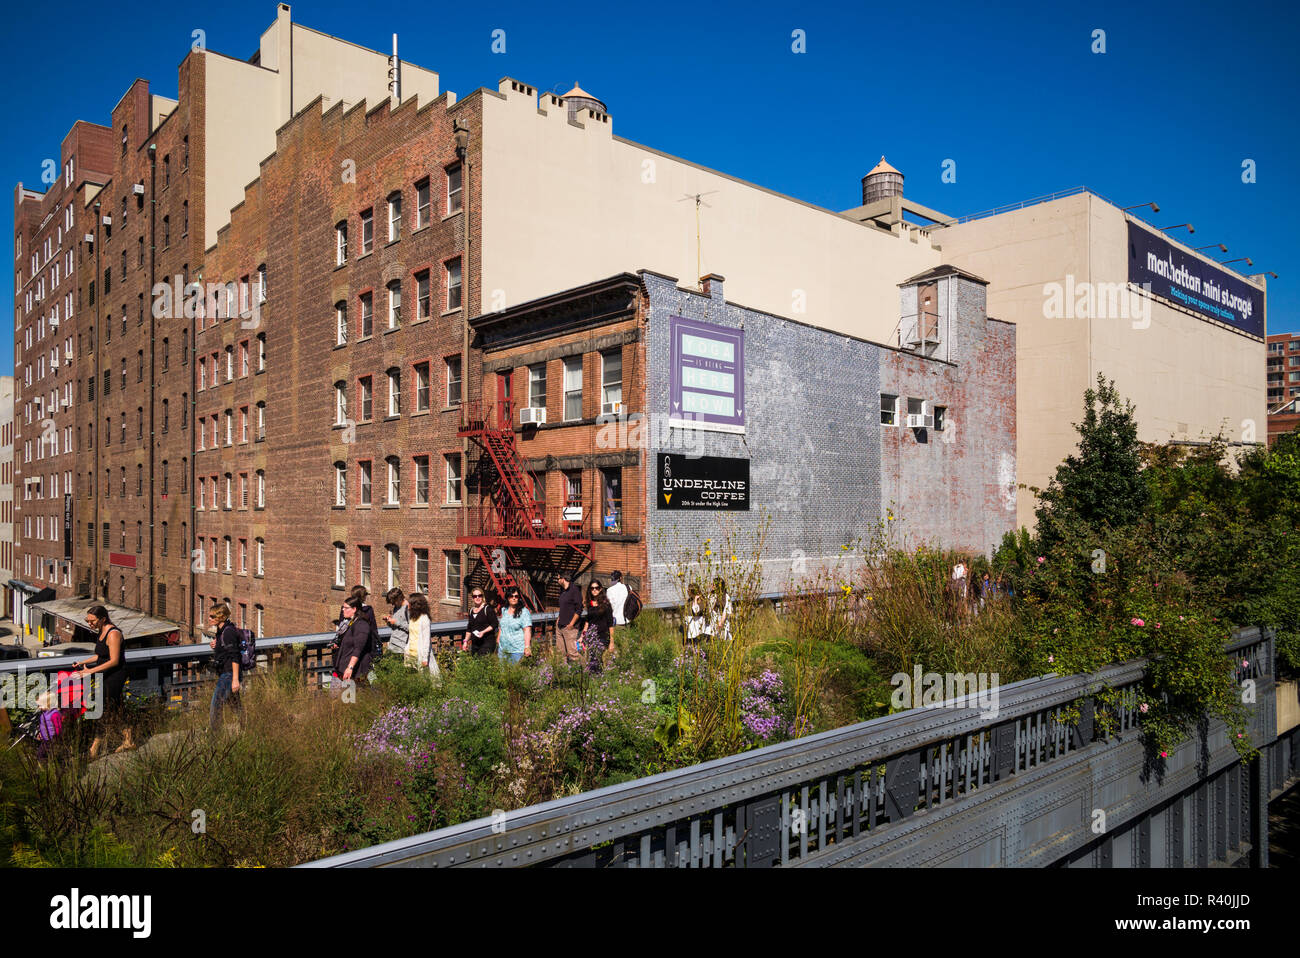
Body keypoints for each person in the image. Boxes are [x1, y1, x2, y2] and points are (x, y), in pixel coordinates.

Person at [74, 605, 134, 757]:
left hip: (115, 675)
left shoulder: (113, 634)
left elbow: (114, 660)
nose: (90, 624)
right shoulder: (101, 631)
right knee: (115, 707)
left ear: (103, 619)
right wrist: (83, 662)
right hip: (104, 674)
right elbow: (100, 655)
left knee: (104, 709)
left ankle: (94, 748)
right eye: (87, 621)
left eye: (92, 621)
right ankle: (128, 740)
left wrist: (90, 671)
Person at [207, 602, 242, 734]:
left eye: (212, 616)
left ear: (221, 617)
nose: (209, 618)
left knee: (216, 705)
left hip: (229, 674)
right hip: (225, 673)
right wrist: (216, 644)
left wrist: (235, 680)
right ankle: (245, 726)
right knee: (235, 704)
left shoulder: (228, 632)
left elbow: (235, 656)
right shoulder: (221, 631)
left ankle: (214, 735)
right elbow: (225, 649)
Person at [332, 590, 376, 688]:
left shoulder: (361, 625)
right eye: (343, 607)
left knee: (356, 695)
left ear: (354, 609)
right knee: (344, 695)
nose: (343, 610)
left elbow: (358, 649)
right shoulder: (351, 622)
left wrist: (350, 667)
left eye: (346, 608)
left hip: (357, 671)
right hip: (346, 668)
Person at [582, 579, 616, 672]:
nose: (594, 590)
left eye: (596, 588)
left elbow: (610, 624)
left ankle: (598, 676)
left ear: (600, 589)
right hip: (591, 636)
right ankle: (595, 677)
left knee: (596, 658)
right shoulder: (590, 604)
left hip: (602, 636)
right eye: (592, 588)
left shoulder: (606, 604)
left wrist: (612, 642)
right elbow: (588, 621)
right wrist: (582, 635)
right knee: (592, 658)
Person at [403, 592, 439, 678]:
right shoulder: (412, 617)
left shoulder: (424, 619)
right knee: (410, 679)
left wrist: (425, 658)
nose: (408, 605)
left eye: (409, 603)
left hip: (420, 655)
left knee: (422, 679)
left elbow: (426, 640)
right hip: (410, 654)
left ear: (415, 605)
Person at [497, 587, 532, 663]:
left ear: (519, 598)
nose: (514, 598)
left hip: (517, 651)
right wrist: (498, 641)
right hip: (503, 649)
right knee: (502, 670)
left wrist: (527, 647)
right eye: (511, 596)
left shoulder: (524, 612)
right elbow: (502, 627)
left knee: (515, 671)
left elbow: (527, 630)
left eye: (516, 596)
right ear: (507, 597)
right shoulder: (504, 610)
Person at [555, 573, 583, 664]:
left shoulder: (574, 590)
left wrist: (571, 624)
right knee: (560, 654)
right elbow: (563, 607)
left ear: (563, 579)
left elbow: (579, 610)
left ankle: (586, 668)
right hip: (560, 625)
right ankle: (563, 671)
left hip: (570, 627)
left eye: (558, 578)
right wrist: (559, 618)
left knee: (572, 653)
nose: (557, 581)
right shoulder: (562, 590)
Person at [463, 587, 498, 655]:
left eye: (479, 595)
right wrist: (465, 641)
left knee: (483, 660)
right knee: (475, 660)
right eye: (475, 596)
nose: (477, 598)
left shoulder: (487, 609)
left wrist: (483, 632)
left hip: (487, 643)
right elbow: (469, 628)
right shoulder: (471, 610)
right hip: (475, 644)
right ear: (472, 598)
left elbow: (495, 624)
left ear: (482, 597)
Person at [383, 588, 410, 657]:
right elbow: (395, 627)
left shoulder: (408, 608)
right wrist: (389, 621)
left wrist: (396, 622)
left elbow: (411, 628)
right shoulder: (396, 607)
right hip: (392, 645)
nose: (392, 605)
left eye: (393, 602)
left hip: (402, 648)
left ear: (398, 598)